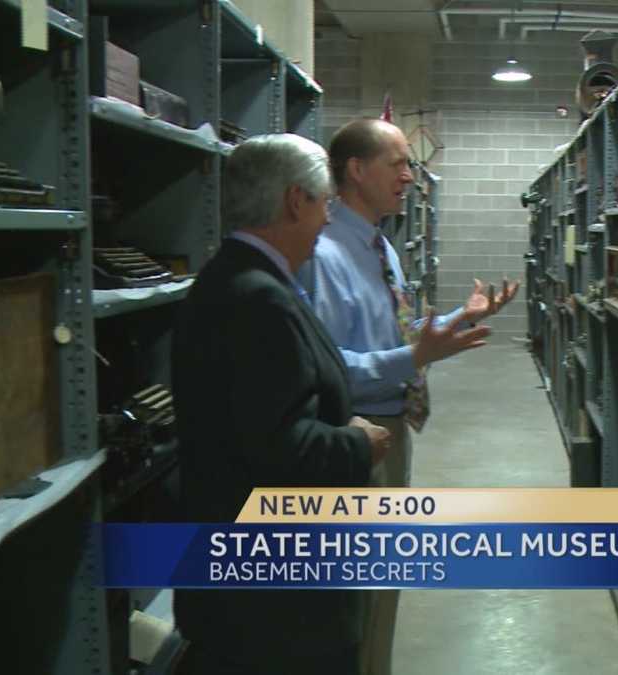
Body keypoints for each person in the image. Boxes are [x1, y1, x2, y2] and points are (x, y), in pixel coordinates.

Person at [298, 117, 519, 675]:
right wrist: (418, 357)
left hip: (392, 429)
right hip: (360, 436)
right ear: (355, 170)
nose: (410, 176)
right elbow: (326, 371)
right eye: (397, 163)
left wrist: (454, 321)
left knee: (382, 591)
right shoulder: (324, 255)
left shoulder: (379, 246)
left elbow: (393, 333)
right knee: (361, 599)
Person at [172, 133, 391, 675]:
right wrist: (358, 443)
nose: (325, 220)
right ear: (297, 201)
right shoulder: (259, 299)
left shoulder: (240, 278)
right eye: (323, 203)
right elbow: (280, 447)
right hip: (276, 609)